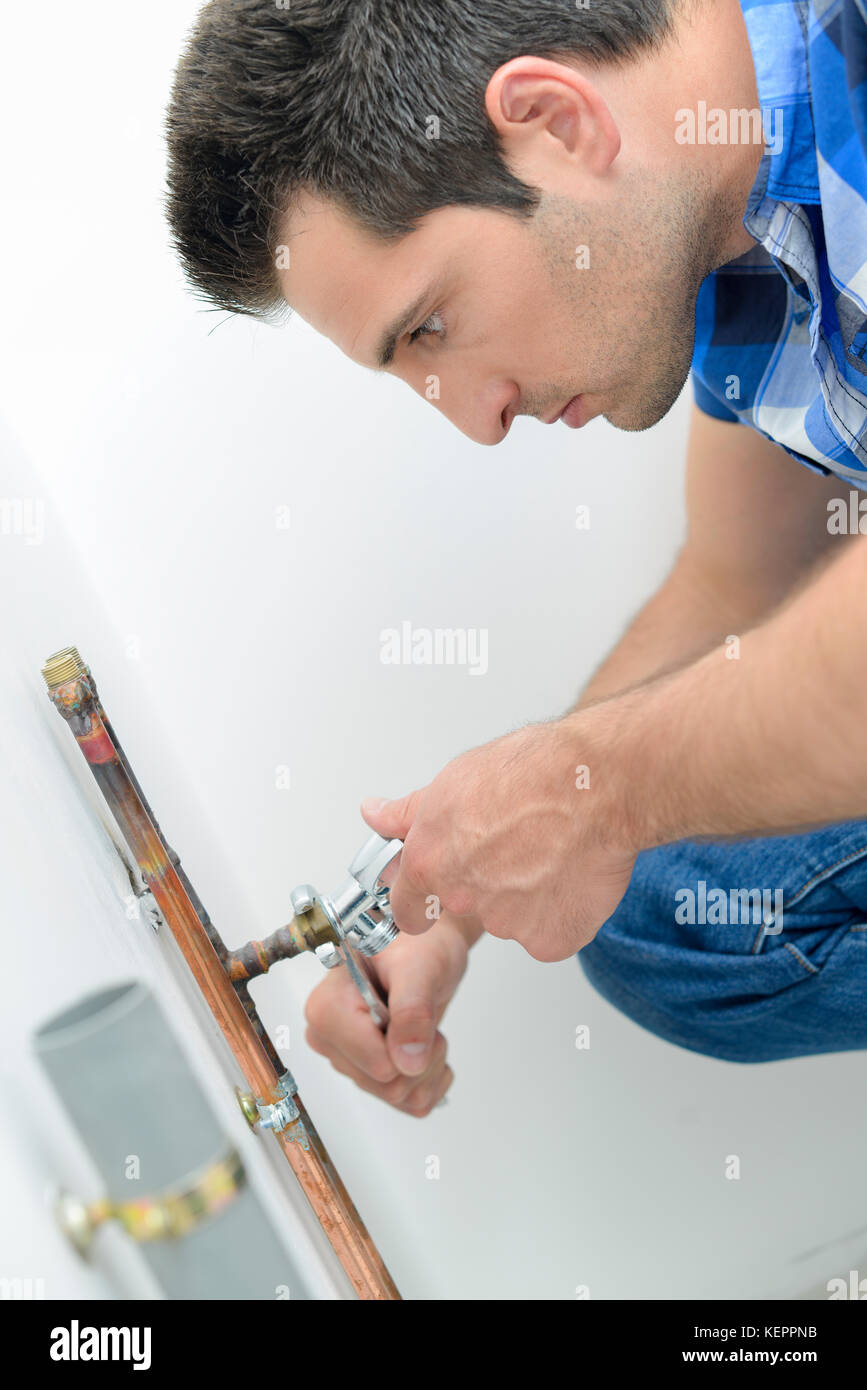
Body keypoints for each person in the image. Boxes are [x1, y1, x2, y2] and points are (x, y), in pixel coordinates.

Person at [166, 0, 867, 1116]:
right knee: (670, 916)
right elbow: (738, 580)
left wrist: (602, 795)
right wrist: (459, 893)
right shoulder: (738, 247)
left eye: (430, 327)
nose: (478, 422)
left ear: (552, 119)